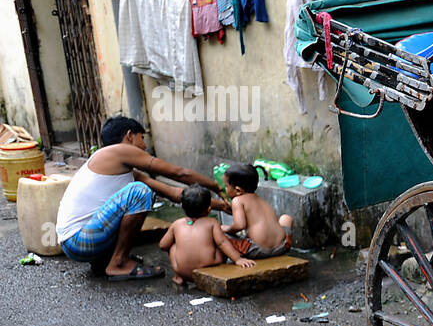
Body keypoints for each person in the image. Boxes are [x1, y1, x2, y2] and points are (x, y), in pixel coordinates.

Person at [56, 115, 230, 280]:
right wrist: (215, 185)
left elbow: (176, 194)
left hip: (77, 243)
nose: (145, 146)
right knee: (140, 192)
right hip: (78, 240)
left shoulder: (124, 169)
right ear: (130, 136)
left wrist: (222, 206)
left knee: (140, 190)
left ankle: (104, 260)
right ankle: (118, 262)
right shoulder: (118, 152)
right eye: (142, 138)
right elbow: (180, 173)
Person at [159, 186, 255, 285]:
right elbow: (222, 243)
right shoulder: (212, 223)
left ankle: (179, 276)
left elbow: (163, 245)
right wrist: (238, 259)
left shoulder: (177, 224)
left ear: (182, 206)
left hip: (184, 272)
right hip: (208, 268)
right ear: (209, 209)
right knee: (221, 241)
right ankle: (219, 268)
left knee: (172, 246)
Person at [222, 163, 294, 259]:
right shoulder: (259, 199)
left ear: (238, 190)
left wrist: (226, 228)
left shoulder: (237, 200)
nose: (225, 189)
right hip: (283, 246)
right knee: (286, 218)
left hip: (258, 250)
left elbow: (240, 225)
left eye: (226, 186)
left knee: (220, 233)